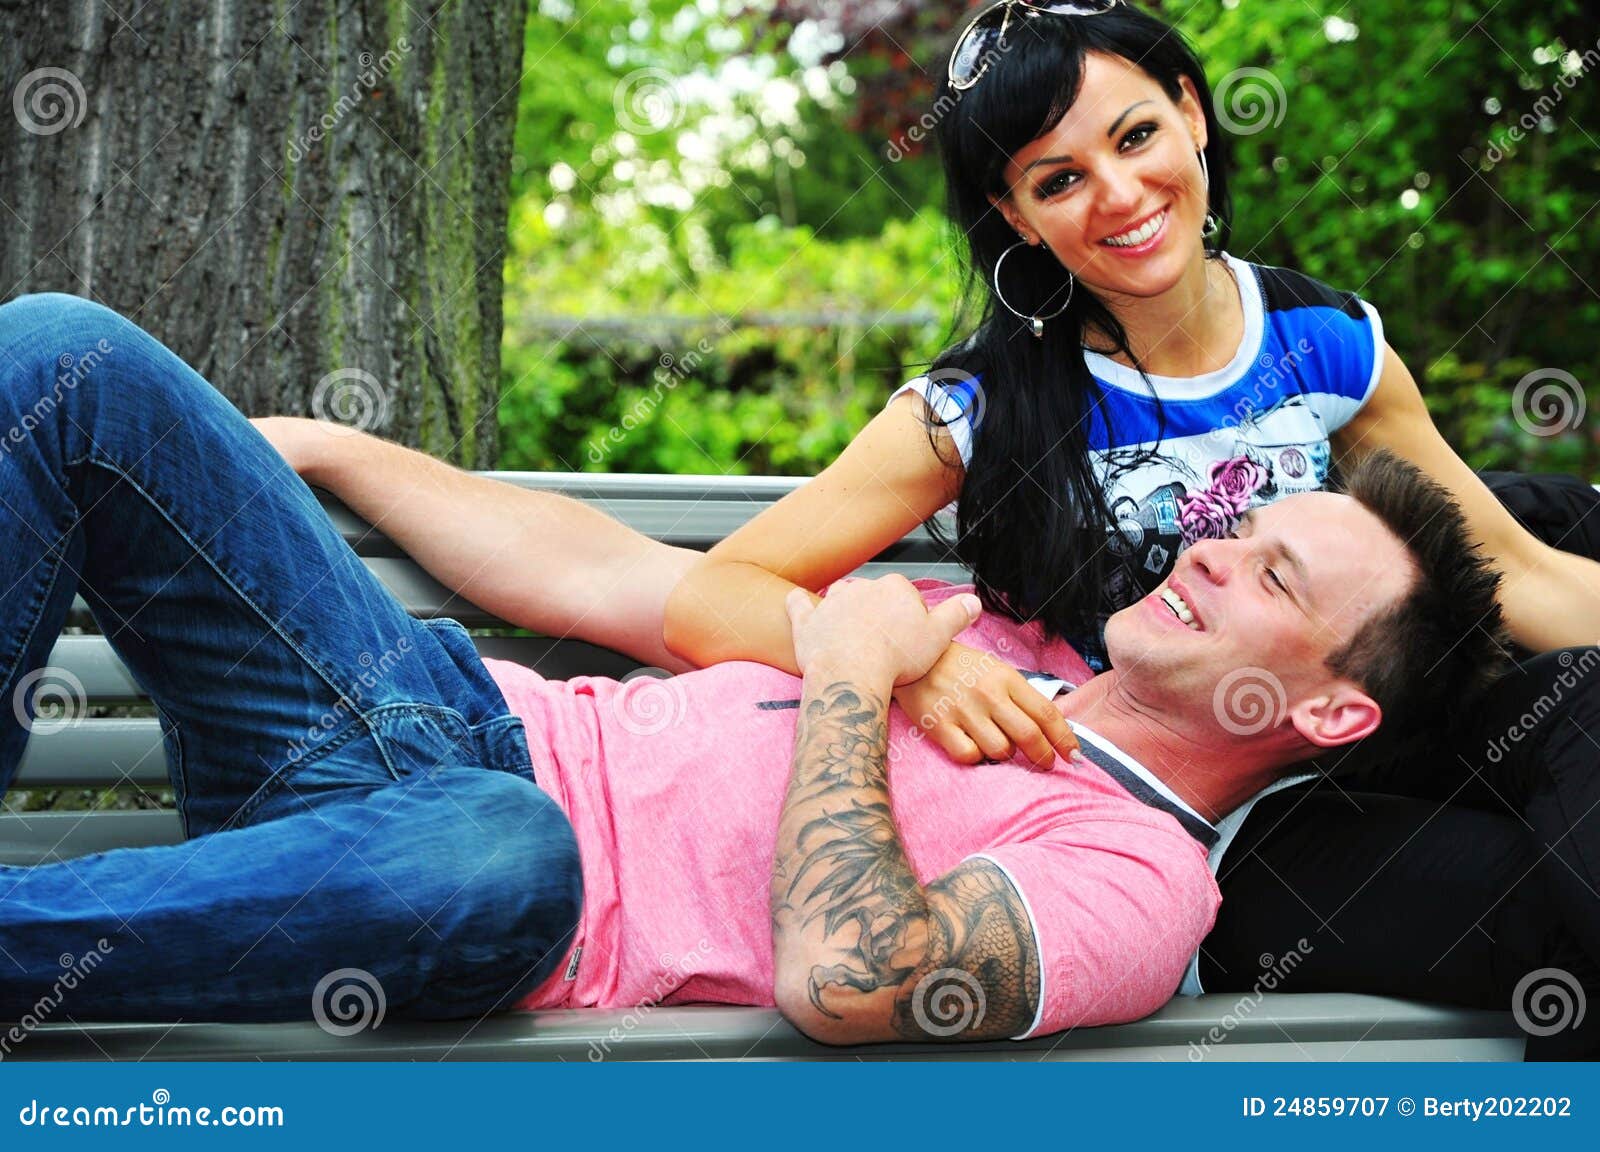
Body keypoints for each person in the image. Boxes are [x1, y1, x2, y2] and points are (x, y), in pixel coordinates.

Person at [0, 292, 1499, 1045]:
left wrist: (855, 670)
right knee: (67, 356)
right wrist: (327, 449)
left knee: (504, 849)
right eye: (1243, 530)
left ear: (1329, 707)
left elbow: (847, 979)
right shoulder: (1013, 636)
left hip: (478, 893)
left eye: (1274, 572)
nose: (1213, 550)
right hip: (416, 713)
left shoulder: (1143, 879)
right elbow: (609, 578)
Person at [646, 1, 1600, 1055]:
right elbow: (716, 594)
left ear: (1190, 113)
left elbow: (1521, 576)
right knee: (1546, 915)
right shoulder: (978, 408)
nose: (1118, 195)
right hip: (1198, 828)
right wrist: (917, 670)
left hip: (1352, 722)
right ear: (1018, 218)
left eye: (1135, 134)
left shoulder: (1324, 346)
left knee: (1580, 691)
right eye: (1056, 180)